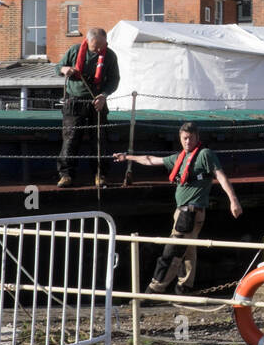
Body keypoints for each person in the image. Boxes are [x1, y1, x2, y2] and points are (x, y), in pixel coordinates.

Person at [115, 122, 243, 295]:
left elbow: (220, 176)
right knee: (188, 252)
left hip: (190, 213)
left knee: (173, 251)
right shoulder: (179, 158)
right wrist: (128, 158)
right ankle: (184, 289)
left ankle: (154, 290)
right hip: (181, 212)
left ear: (197, 137)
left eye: (191, 138)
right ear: (180, 139)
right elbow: (150, 160)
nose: (188, 141)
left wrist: (233, 200)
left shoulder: (205, 155)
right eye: (184, 138)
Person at [57, 27, 120, 187]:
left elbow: (114, 80)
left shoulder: (110, 56)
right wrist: (65, 69)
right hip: (74, 102)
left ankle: (100, 174)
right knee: (70, 138)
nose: (99, 49)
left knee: (99, 139)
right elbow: (58, 67)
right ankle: (66, 174)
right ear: (88, 41)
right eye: (96, 46)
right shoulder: (75, 50)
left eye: (102, 45)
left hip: (97, 102)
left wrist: (104, 96)